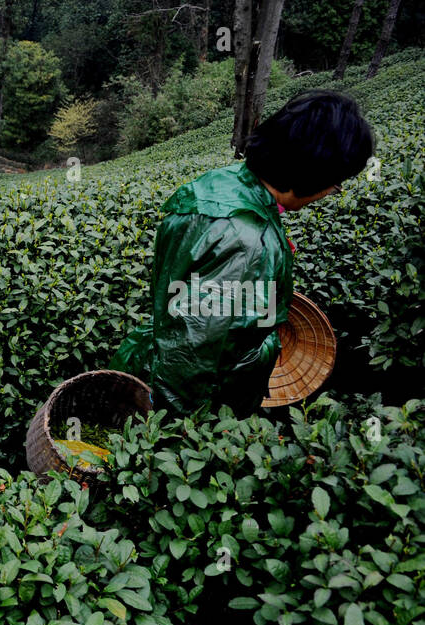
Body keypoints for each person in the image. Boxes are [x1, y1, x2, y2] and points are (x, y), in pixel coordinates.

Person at [112, 90, 374, 416]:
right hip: (181, 399)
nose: (329, 193)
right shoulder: (245, 242)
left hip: (154, 356)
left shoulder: (226, 182)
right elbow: (194, 356)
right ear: (313, 172)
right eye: (335, 183)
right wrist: (181, 433)